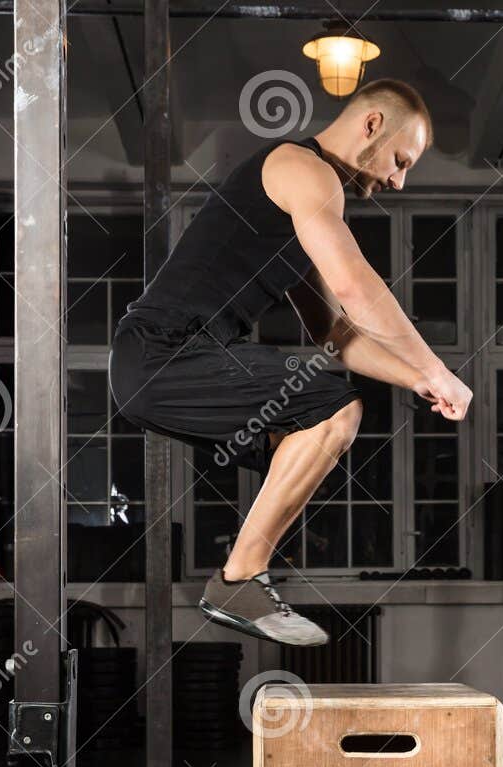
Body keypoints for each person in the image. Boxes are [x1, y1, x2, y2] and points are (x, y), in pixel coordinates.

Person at [109, 78, 472, 646]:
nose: (399, 179)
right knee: (335, 409)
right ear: (372, 125)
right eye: (401, 160)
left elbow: (337, 335)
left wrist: (419, 383)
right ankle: (239, 579)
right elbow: (357, 287)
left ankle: (247, 575)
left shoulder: (303, 210)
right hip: (165, 350)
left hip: (170, 361)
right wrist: (434, 367)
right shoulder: (303, 170)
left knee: (302, 439)